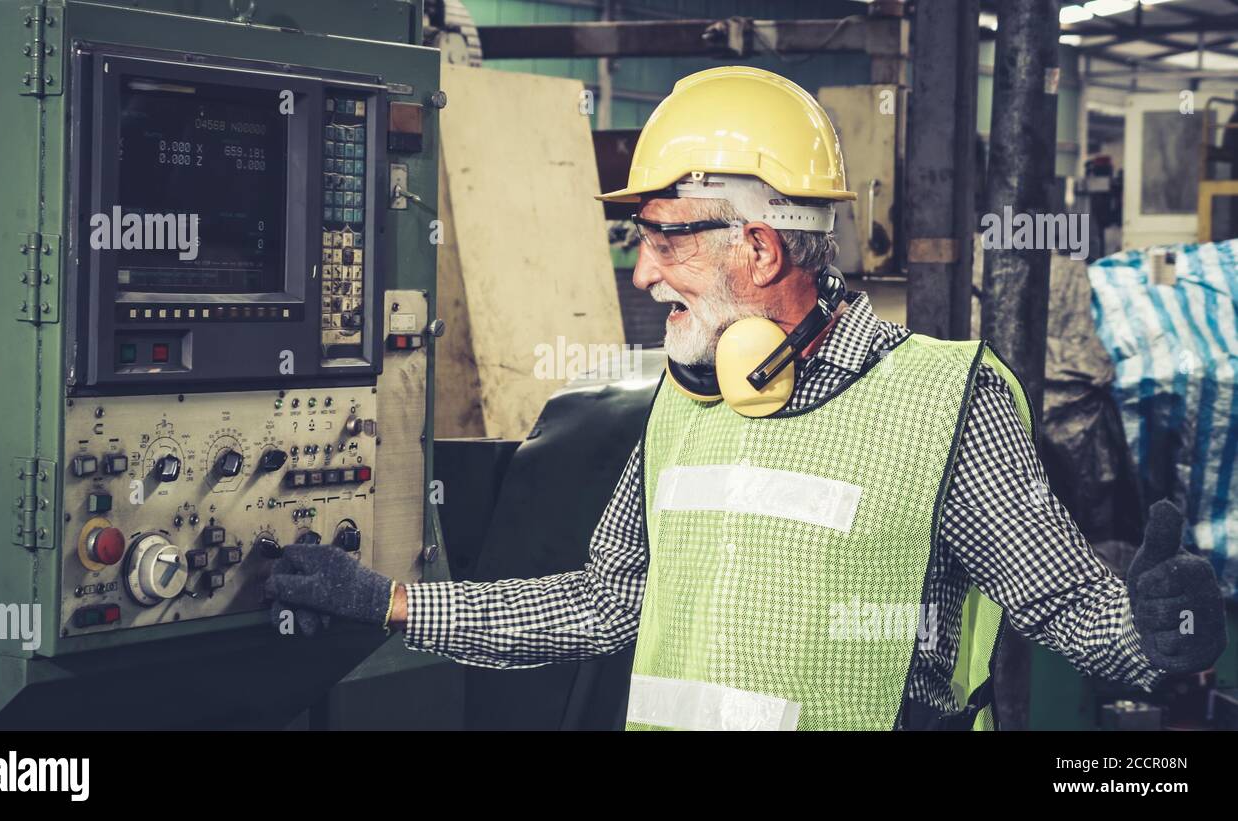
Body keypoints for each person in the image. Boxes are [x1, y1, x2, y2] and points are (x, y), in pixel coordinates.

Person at [267, 66, 1226, 730]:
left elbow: (1059, 599)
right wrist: (394, 604)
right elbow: (603, 606)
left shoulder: (941, 402)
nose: (641, 273)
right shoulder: (687, 402)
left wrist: (1158, 638)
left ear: (759, 246)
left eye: (664, 238)